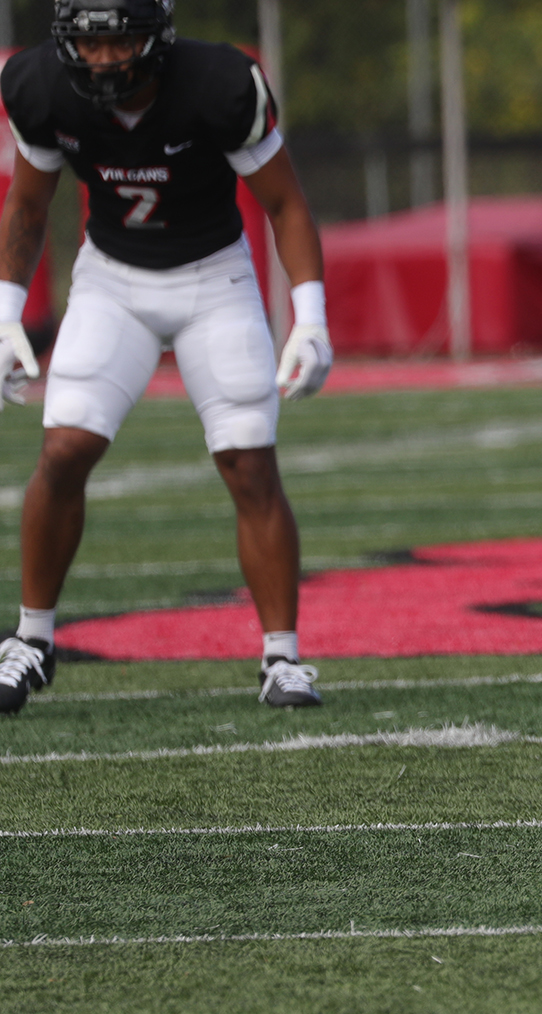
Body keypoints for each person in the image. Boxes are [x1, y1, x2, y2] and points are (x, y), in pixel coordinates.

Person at [0, 0, 333, 712]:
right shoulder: (40, 87)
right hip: (112, 277)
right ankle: (31, 640)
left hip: (214, 276)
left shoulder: (218, 84)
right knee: (63, 449)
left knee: (248, 460)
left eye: (118, 40)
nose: (101, 60)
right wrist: (4, 314)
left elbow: (287, 205)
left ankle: (283, 656)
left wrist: (310, 319)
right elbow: (27, 208)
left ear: (156, 36)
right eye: (88, 44)